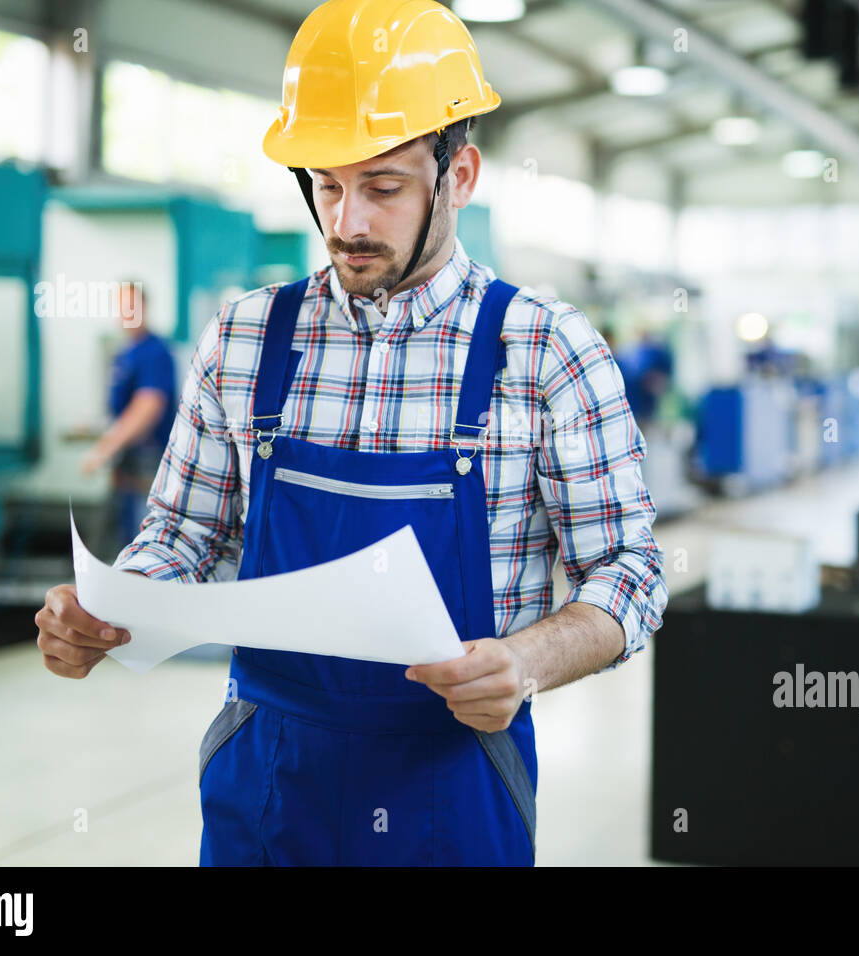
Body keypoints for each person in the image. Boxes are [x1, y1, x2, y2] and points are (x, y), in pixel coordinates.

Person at [32, 0, 668, 867]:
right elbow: (184, 532)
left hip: (452, 783)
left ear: (462, 174)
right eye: (326, 185)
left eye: (384, 186)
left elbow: (628, 574)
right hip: (267, 781)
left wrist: (524, 662)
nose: (347, 224)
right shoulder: (248, 337)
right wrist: (108, 613)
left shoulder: (546, 349)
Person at [80, 282, 176, 548]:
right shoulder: (125, 353)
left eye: (132, 307)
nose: (126, 313)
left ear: (145, 308)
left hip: (147, 467)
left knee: (144, 546)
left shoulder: (155, 353)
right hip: (127, 466)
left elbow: (148, 407)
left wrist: (104, 449)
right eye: (122, 307)